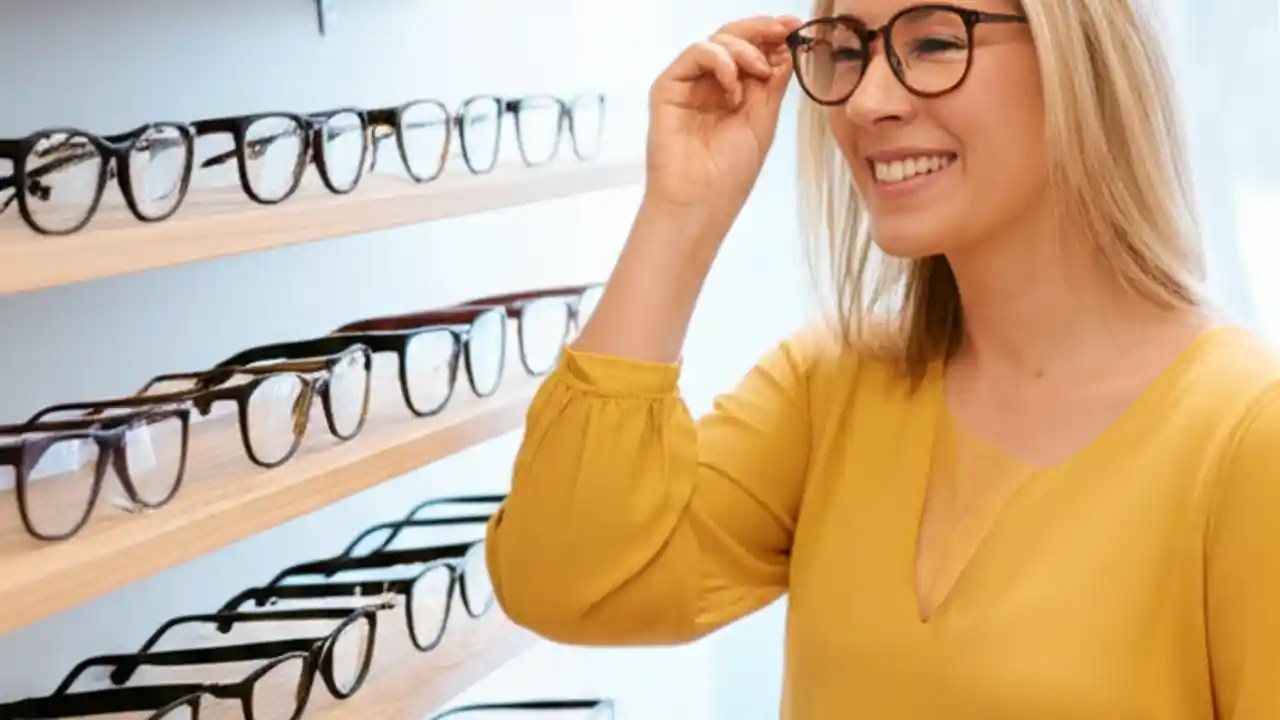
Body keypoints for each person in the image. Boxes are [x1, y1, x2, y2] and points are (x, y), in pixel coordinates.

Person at [485, 1, 1280, 717]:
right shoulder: (828, 386)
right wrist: (681, 216)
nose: (867, 102)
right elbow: (564, 581)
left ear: (1083, 61)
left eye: (933, 42)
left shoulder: (1246, 435)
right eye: (849, 50)